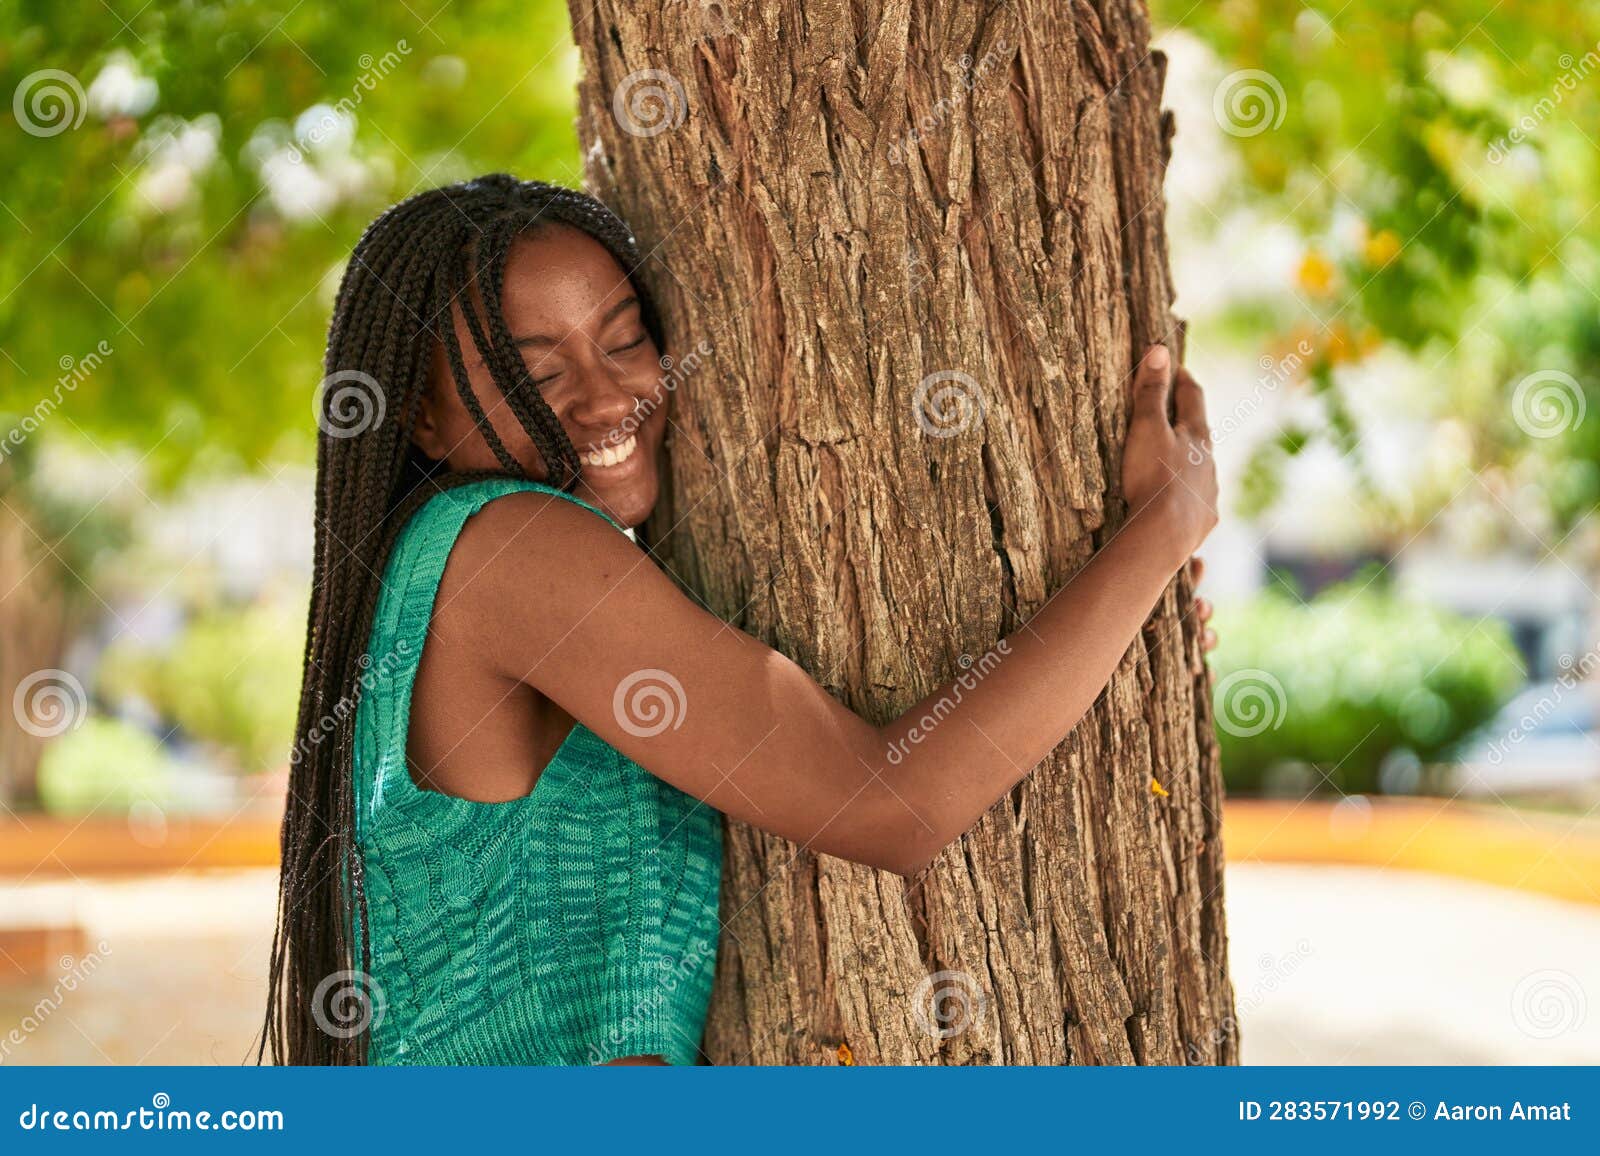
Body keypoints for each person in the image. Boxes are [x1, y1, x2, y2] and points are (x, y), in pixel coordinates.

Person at [262, 174, 1219, 1067]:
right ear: (423, 419)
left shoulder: (445, 565)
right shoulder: (513, 550)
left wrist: (1130, 636)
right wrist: (1158, 533)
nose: (606, 398)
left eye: (626, 340)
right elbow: (890, 810)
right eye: (535, 373)